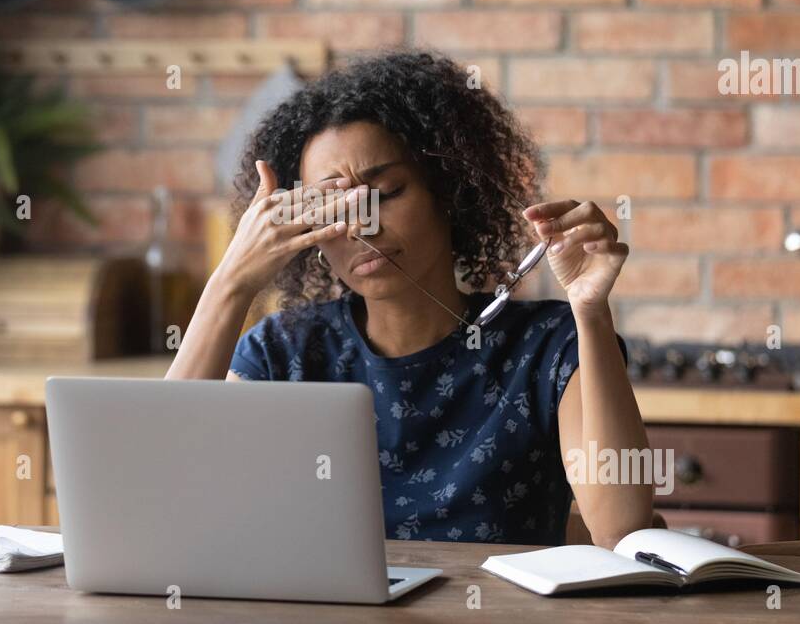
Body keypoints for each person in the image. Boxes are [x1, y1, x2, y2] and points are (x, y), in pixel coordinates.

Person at [167, 50, 653, 548]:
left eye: (388, 191)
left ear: (449, 192)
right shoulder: (283, 354)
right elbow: (165, 495)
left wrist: (590, 309)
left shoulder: (549, 345)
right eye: (331, 206)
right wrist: (232, 282)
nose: (362, 225)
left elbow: (620, 528)